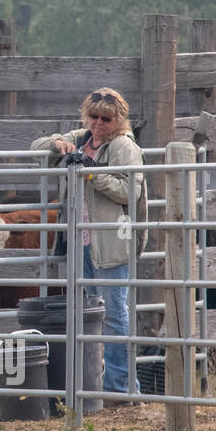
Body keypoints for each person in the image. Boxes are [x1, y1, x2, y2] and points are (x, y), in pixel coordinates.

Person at [31, 88, 148, 399]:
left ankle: (121, 388)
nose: (98, 123)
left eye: (106, 118)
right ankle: (95, 386)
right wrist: (59, 144)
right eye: (94, 116)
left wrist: (91, 174)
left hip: (110, 242)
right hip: (81, 241)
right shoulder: (83, 137)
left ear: (118, 120)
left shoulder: (124, 145)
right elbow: (36, 147)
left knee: (112, 315)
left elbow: (128, 192)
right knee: (89, 317)